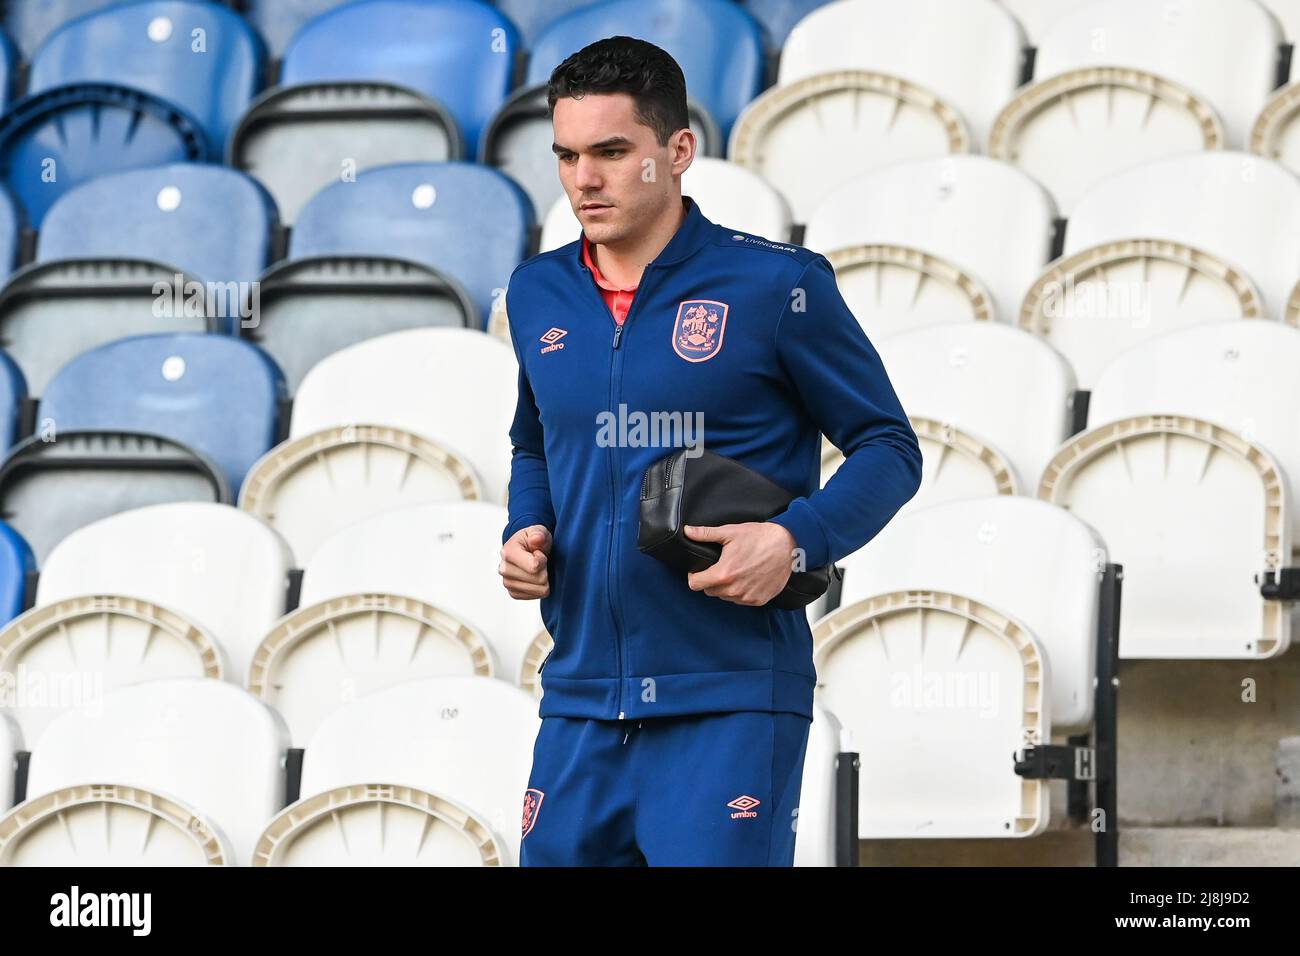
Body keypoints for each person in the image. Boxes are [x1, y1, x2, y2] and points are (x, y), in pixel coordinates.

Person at [498, 35, 922, 866]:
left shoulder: (777, 287)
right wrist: (525, 531)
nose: (586, 178)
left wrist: (796, 539)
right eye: (568, 156)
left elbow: (887, 447)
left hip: (728, 698)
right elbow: (532, 446)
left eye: (614, 152)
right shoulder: (536, 291)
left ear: (678, 150)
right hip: (579, 698)